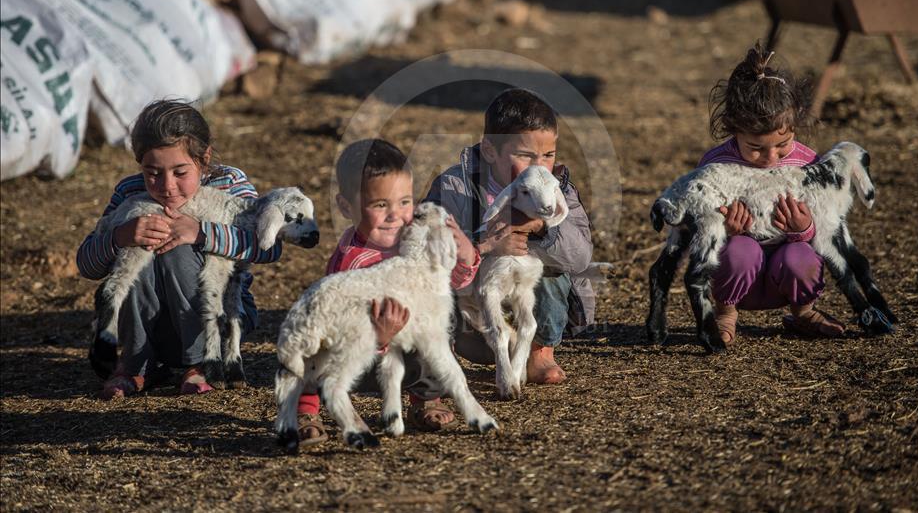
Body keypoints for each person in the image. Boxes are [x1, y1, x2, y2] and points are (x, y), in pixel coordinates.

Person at [77, 99, 282, 399]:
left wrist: (202, 233)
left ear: (204, 158)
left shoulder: (229, 184)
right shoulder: (129, 192)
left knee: (177, 248)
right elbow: (86, 264)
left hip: (216, 319)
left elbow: (269, 248)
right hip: (152, 325)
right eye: (153, 172)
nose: (167, 185)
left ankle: (199, 362)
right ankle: (136, 364)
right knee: (140, 248)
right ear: (139, 163)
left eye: (180, 172)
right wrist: (120, 237)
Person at [295, 139, 481, 446]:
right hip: (363, 354)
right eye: (380, 205)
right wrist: (378, 337)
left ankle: (425, 397)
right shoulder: (351, 263)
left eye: (405, 202)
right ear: (346, 207)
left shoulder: (417, 239)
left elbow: (456, 283)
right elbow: (336, 327)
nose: (396, 215)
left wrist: (465, 254)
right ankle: (306, 408)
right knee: (311, 343)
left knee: (439, 322)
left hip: (405, 349)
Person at [425, 87, 595, 384]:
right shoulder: (456, 186)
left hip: (526, 309)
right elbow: (430, 245)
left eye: (548, 155)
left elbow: (581, 257)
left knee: (552, 273)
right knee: (438, 281)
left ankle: (538, 354)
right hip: (473, 321)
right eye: (526, 156)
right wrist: (486, 245)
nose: (540, 166)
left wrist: (543, 230)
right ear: (490, 150)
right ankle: (442, 354)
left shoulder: (558, 190)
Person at [700, 43, 846, 345]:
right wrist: (723, 231)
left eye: (782, 144)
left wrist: (803, 229)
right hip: (737, 275)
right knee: (741, 250)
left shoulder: (807, 164)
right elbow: (698, 223)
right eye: (755, 148)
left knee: (800, 256)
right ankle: (725, 314)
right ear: (733, 128)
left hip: (787, 273)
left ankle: (804, 312)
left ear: (795, 124)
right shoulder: (717, 166)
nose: (771, 158)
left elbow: (828, 222)